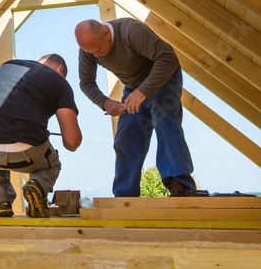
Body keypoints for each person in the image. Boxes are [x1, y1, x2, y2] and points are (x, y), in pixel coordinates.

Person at [75, 18, 197, 197]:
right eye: (91, 52)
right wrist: (105, 102)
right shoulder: (89, 50)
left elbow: (168, 58)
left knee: (164, 121)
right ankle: (125, 195)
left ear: (106, 33)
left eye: (99, 49)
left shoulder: (130, 31)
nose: (96, 55)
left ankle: (180, 185)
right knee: (126, 138)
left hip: (163, 77)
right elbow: (86, 82)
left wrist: (142, 92)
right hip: (133, 86)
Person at [0, 54, 82, 218]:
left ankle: (2, 202)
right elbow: (71, 142)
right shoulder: (60, 82)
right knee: (53, 164)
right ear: (60, 69)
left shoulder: (6, 67)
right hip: (26, 154)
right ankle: (37, 185)